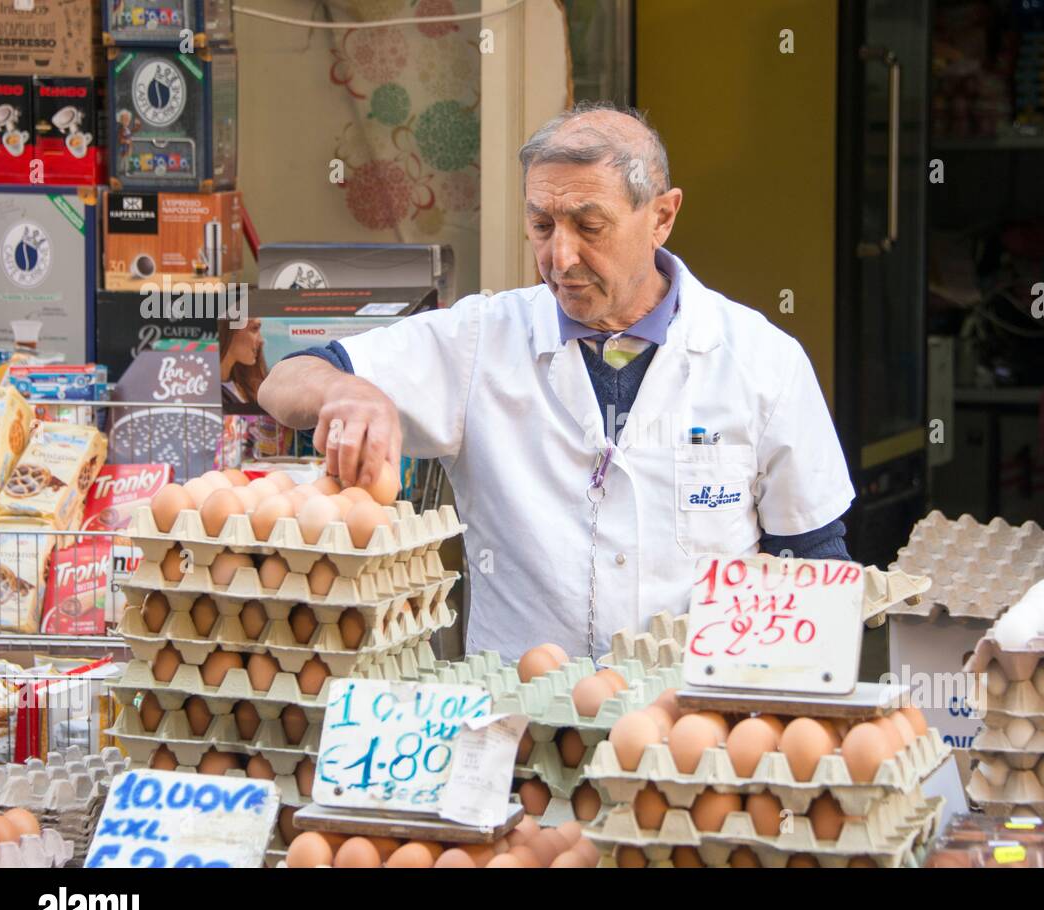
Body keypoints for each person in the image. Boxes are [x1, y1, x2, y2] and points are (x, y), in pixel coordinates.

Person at [258, 103, 855, 662]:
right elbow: (285, 380)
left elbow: (812, 565)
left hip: (691, 739)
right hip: (519, 733)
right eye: (541, 225)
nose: (559, 257)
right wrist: (348, 391)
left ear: (663, 218)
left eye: (589, 226)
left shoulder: (762, 361)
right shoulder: (481, 340)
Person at [219, 317, 268, 407]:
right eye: (254, 328)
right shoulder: (204, 391)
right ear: (230, 330)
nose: (261, 340)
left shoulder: (243, 384)